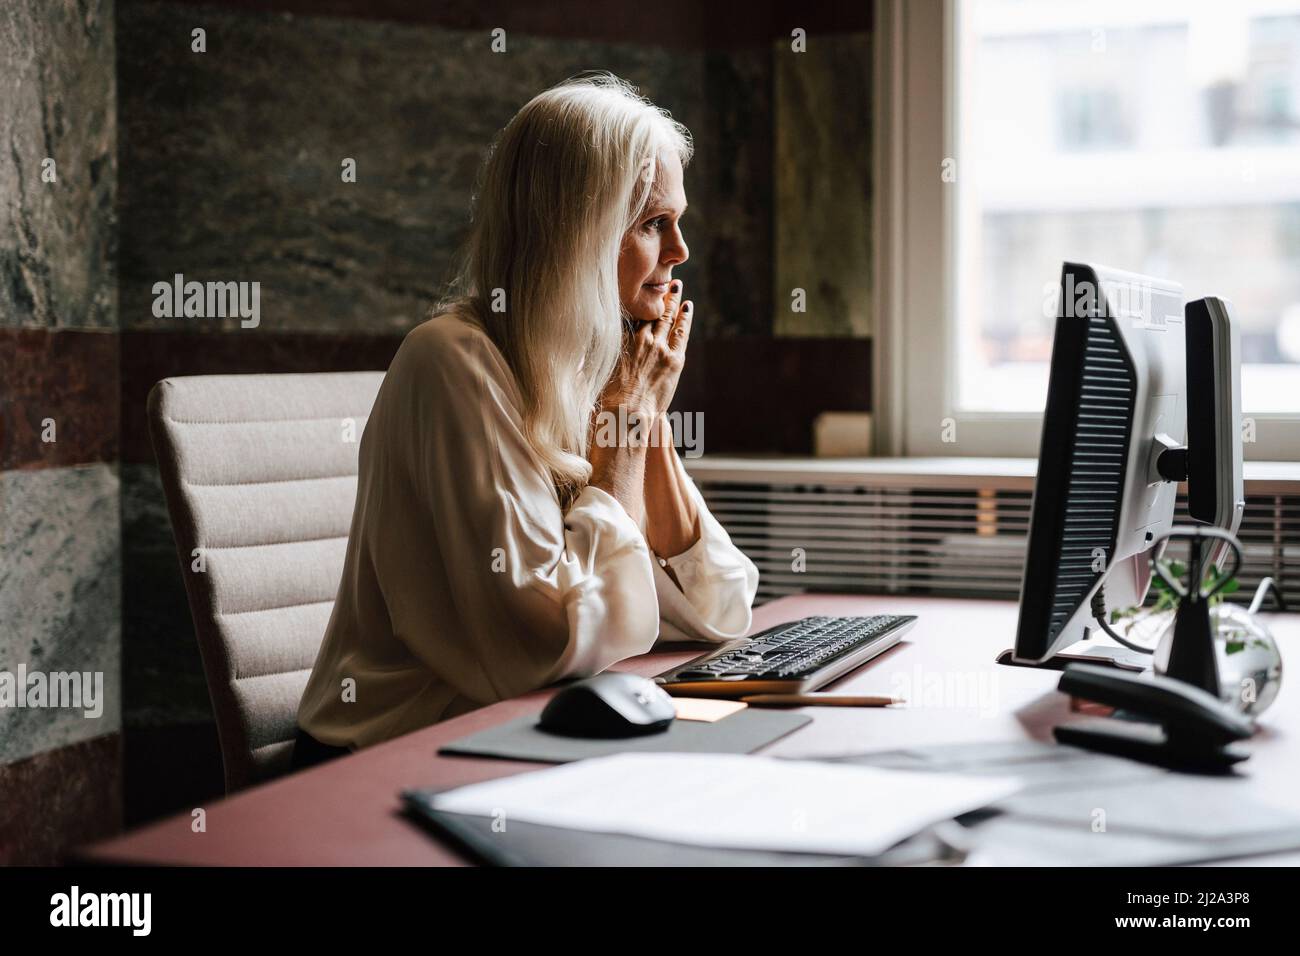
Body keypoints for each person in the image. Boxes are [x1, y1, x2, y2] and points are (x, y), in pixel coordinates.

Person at [293, 74, 759, 768]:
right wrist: (627, 420)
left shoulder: (591, 370)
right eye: (653, 223)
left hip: (522, 735)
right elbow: (555, 645)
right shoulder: (453, 360)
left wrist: (642, 415)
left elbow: (722, 605)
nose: (681, 252)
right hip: (393, 755)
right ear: (580, 234)